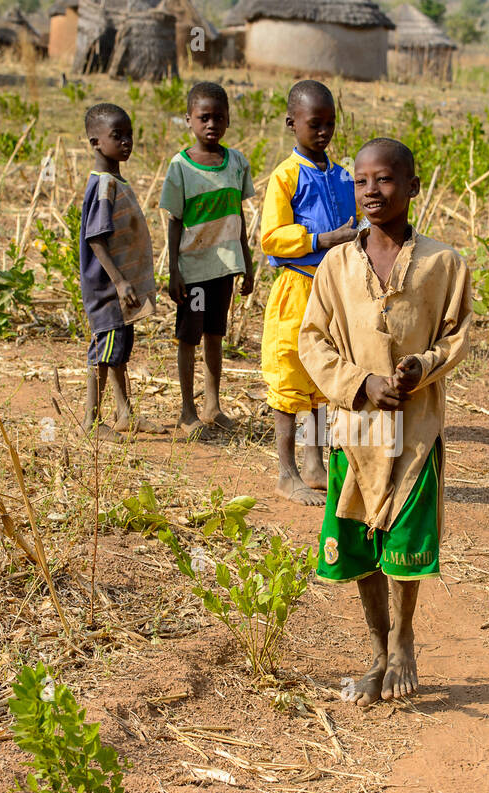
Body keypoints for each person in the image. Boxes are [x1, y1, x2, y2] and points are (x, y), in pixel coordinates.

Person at [298, 138, 471, 706]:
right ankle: (377, 651)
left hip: (416, 430)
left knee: (403, 540)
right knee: (360, 542)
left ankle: (404, 640)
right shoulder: (337, 264)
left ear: (413, 187)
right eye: (363, 181)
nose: (373, 191)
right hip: (357, 430)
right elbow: (312, 340)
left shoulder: (443, 263)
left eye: (386, 180)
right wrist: (360, 385)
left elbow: (457, 335)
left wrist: (420, 367)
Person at [260, 79, 358, 505]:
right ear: (291, 124)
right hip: (296, 288)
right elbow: (271, 237)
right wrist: (323, 239)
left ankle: (315, 464)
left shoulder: (342, 177)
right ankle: (287, 473)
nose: (324, 132)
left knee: (321, 378)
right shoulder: (284, 177)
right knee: (288, 378)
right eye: (314, 123)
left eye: (330, 123)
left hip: (332, 292)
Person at [160, 81, 255, 437]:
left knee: (216, 334)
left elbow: (239, 217)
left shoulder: (237, 163)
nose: (211, 124)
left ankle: (213, 406)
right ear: (189, 120)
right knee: (190, 337)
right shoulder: (180, 167)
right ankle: (188, 411)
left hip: (225, 269)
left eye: (219, 117)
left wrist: (246, 262)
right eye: (204, 117)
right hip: (195, 270)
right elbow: (175, 221)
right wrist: (173, 270)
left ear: (228, 120)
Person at [79, 102, 163, 438]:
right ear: (95, 142)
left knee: (118, 350)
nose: (126, 142)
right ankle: (90, 422)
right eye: (118, 136)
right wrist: (120, 281)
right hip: (108, 288)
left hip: (118, 289)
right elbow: (96, 239)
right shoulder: (103, 185)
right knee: (103, 350)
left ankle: (124, 413)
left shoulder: (113, 180)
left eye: (129, 135)